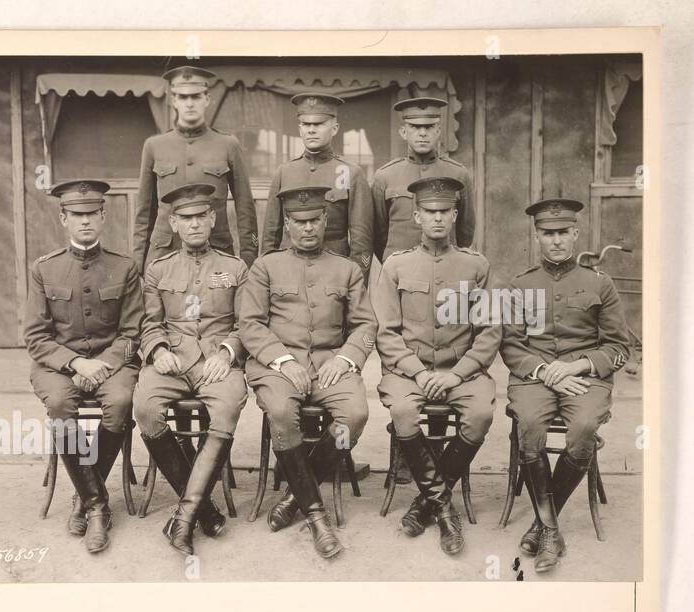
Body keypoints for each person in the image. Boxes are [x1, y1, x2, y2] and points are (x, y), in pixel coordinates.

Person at [238, 185, 377, 559]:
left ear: (326, 220)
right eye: (299, 222)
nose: (307, 228)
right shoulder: (265, 267)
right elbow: (249, 324)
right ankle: (317, 517)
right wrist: (283, 361)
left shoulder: (346, 268)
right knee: (282, 413)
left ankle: (294, 495)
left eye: (315, 220)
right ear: (286, 224)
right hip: (278, 365)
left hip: (332, 364)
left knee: (356, 416)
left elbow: (366, 325)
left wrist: (345, 359)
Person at [500, 198, 632, 572]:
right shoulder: (520, 284)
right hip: (534, 378)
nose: (556, 240)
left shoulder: (599, 284)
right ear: (537, 236)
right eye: (548, 233)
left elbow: (620, 347)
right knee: (528, 425)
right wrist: (544, 371)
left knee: (584, 428)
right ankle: (552, 533)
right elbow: (511, 344)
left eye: (563, 233)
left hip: (585, 378)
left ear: (575, 234)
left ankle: (542, 523)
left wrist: (576, 367)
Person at [373, 176, 497, 556]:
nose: (438, 219)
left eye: (445, 211)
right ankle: (444, 509)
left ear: (456, 214)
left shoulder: (476, 265)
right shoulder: (396, 266)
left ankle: (424, 502)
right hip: (409, 372)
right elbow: (386, 332)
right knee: (404, 412)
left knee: (479, 415)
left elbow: (491, 331)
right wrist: (419, 372)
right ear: (417, 216)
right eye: (430, 212)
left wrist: (457, 374)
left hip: (462, 370)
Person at [22, 179, 141, 553]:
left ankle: (85, 497)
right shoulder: (46, 269)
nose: (85, 221)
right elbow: (36, 337)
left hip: (111, 364)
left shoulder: (124, 268)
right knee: (60, 405)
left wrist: (102, 365)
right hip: (58, 366)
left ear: (103, 216)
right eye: (77, 214)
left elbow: (132, 331)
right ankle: (96, 505)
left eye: (92, 213)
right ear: (63, 219)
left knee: (120, 403)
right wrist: (74, 362)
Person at [133, 182, 249, 557]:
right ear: (173, 223)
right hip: (173, 361)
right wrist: (158, 349)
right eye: (186, 218)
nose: (195, 224)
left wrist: (229, 352)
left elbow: (248, 324)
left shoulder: (235, 268)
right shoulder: (158, 269)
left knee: (228, 407)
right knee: (146, 410)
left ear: (214, 219)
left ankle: (183, 519)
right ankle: (204, 510)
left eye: (202, 216)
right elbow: (149, 323)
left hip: (217, 362)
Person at [130, 65, 259, 271]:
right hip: (165, 253)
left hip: (217, 252)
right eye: (182, 97)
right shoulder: (154, 146)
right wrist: (138, 263)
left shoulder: (227, 145)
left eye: (196, 96)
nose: (189, 103)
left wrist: (249, 259)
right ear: (174, 101)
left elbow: (246, 210)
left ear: (207, 99)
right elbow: (144, 213)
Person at [260, 93, 372, 274]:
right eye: (306, 124)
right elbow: (270, 236)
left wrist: (356, 283)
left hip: (335, 272)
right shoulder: (284, 172)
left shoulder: (352, 173)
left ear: (334, 128)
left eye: (319, 124)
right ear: (299, 128)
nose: (311, 130)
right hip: (290, 271)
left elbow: (361, 240)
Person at [371, 96, 476, 262]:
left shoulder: (458, 174)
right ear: (403, 132)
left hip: (446, 266)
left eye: (429, 127)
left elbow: (465, 232)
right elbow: (378, 235)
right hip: (400, 271)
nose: (422, 133)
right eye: (415, 127)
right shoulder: (385, 176)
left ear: (438, 131)